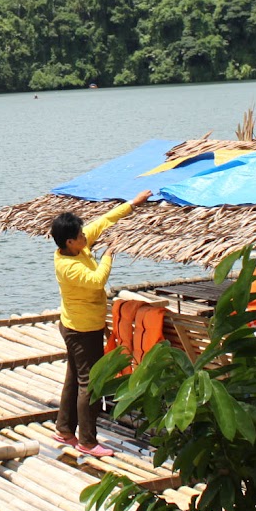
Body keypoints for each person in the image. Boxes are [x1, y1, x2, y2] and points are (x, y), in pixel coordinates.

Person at [49, 189, 152, 457]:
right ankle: (87, 441)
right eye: (81, 236)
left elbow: (104, 221)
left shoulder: (76, 246)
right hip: (82, 330)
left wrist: (132, 203)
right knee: (89, 383)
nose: (86, 236)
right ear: (70, 242)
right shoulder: (68, 266)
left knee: (74, 377)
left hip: (74, 325)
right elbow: (97, 280)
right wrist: (109, 253)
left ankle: (64, 429)